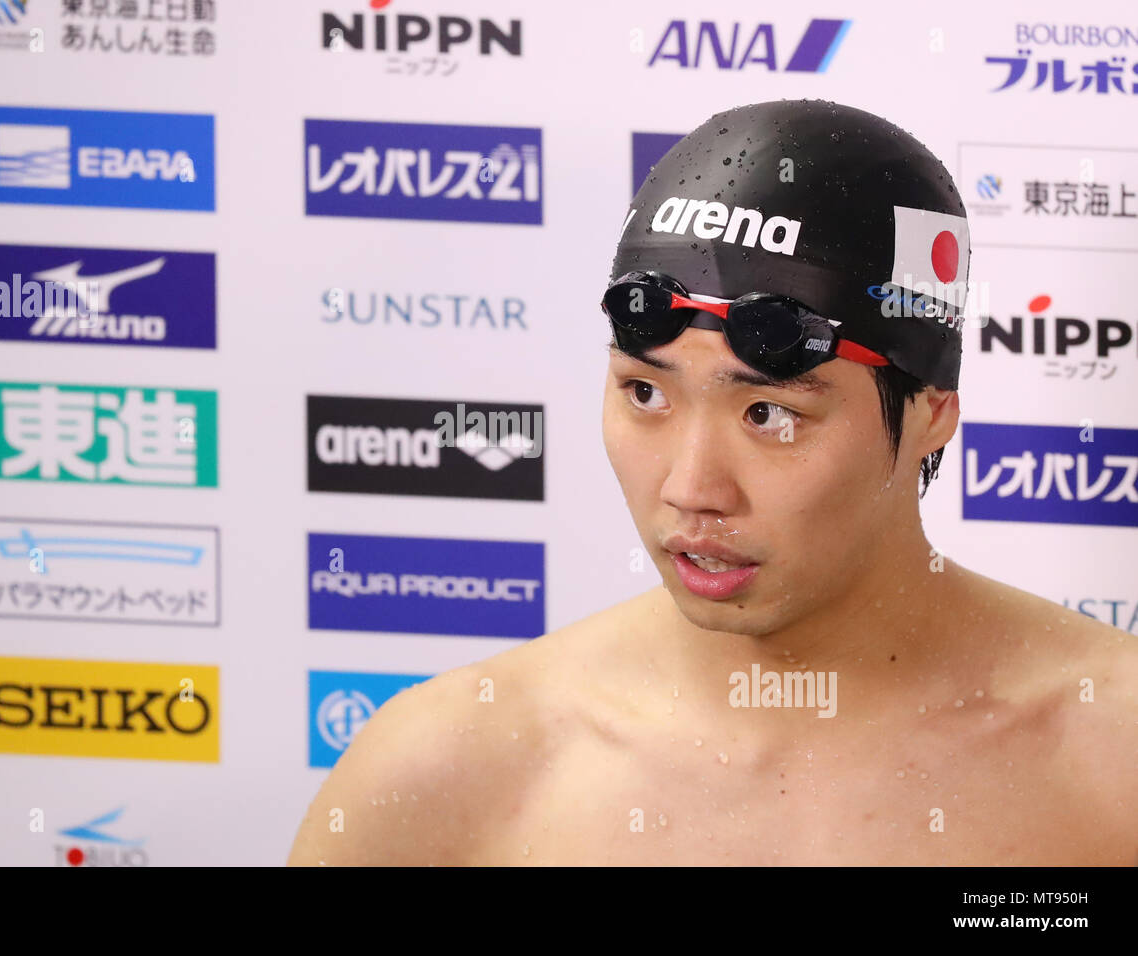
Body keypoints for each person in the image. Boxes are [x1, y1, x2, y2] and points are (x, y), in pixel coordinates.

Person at [287, 99, 1137, 866]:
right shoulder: (451, 766)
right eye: (645, 393)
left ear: (932, 412)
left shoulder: (1111, 757)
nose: (692, 491)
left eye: (770, 415)